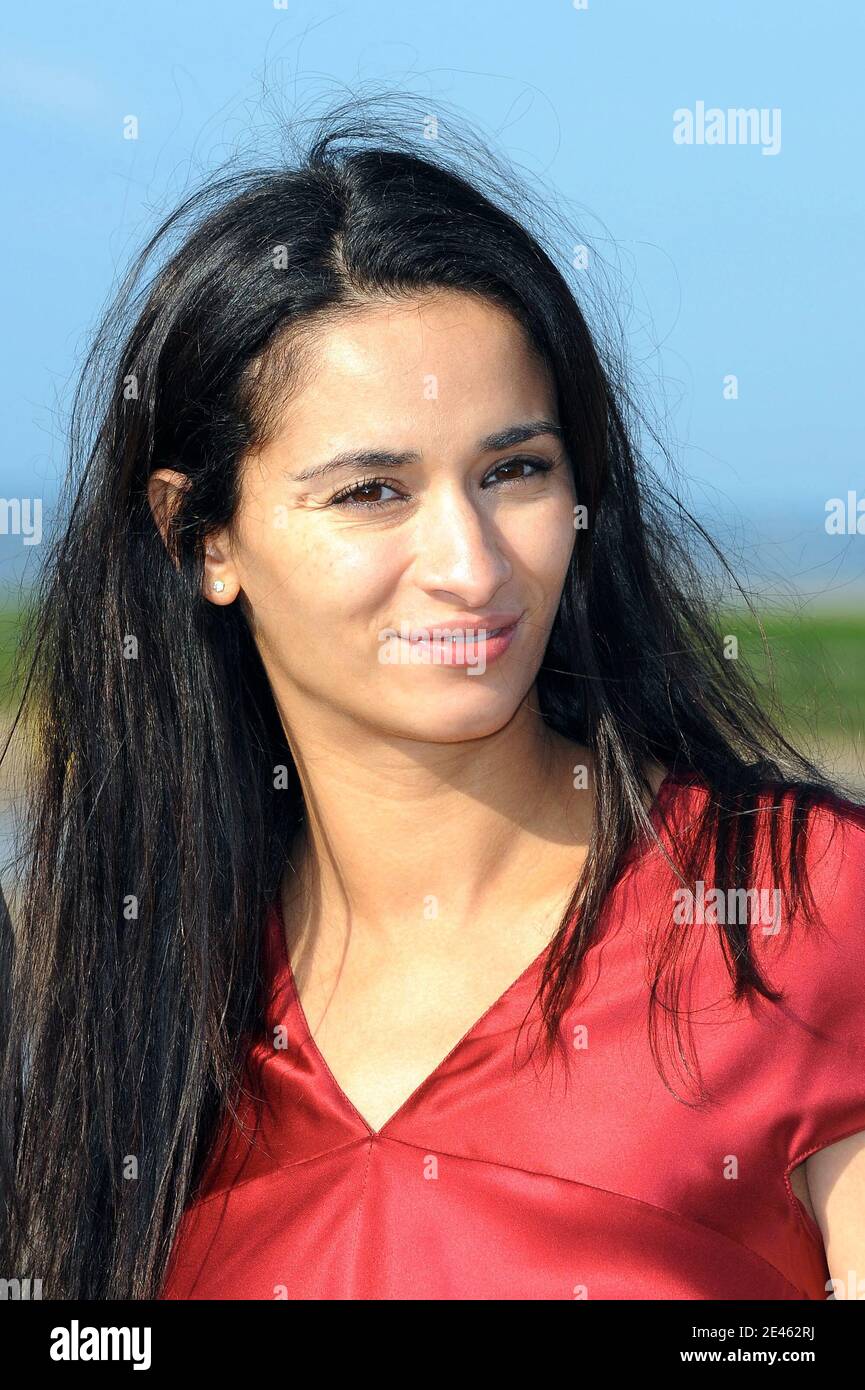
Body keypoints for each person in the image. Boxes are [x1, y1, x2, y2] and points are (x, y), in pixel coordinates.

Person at [2, 101, 863, 1301]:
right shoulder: (136, 1000)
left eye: (514, 470)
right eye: (370, 491)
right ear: (201, 537)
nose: (471, 561)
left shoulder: (802, 915)